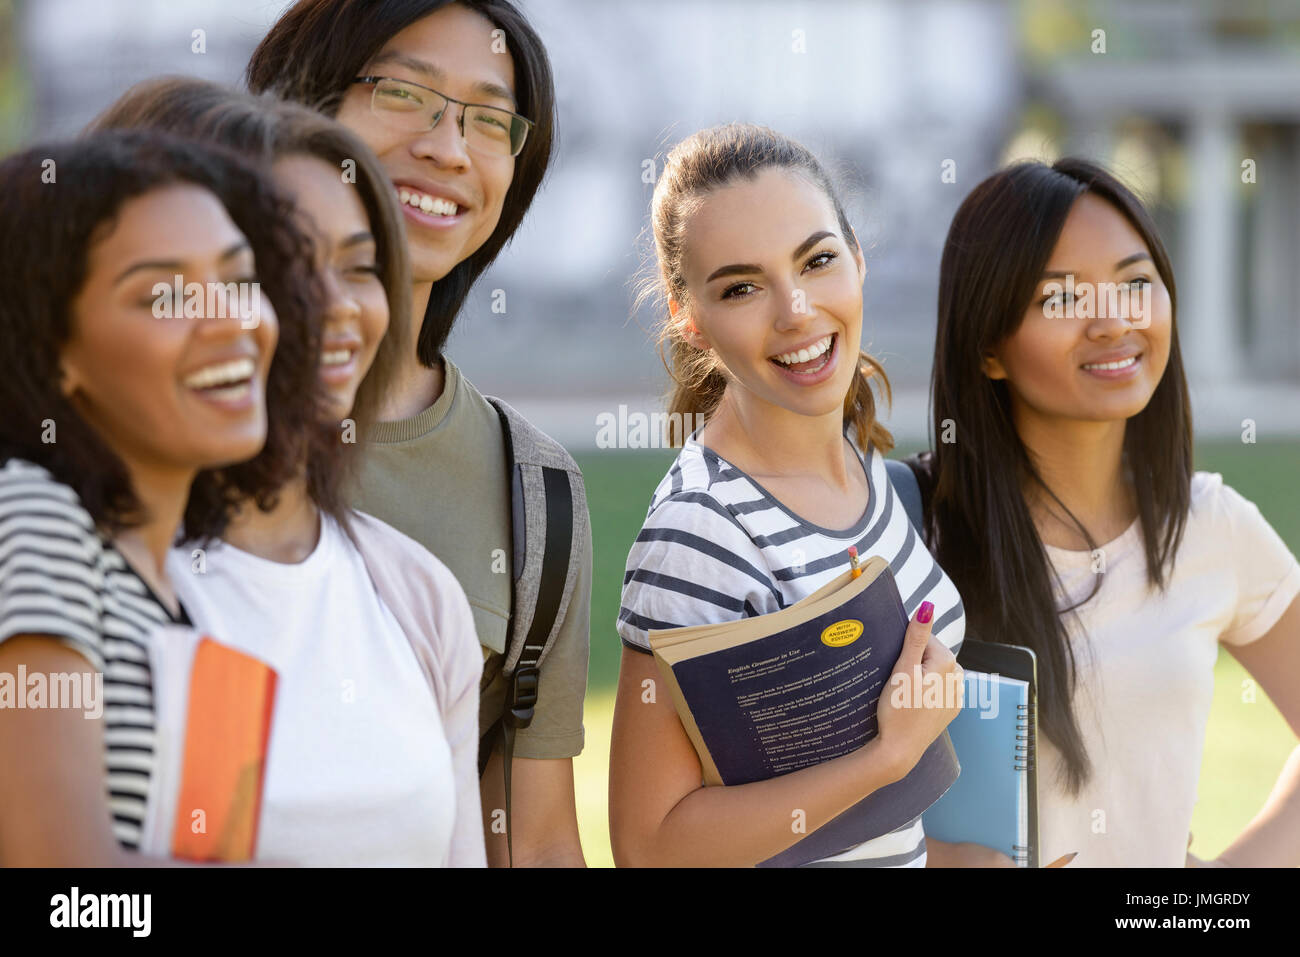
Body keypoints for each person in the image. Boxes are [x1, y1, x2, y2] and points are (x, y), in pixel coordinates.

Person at [92, 77, 488, 867]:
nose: (337, 307)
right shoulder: (71, 585)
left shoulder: (416, 597)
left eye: (361, 265)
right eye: (285, 267)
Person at [247, 0, 590, 866]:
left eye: (489, 119)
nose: (448, 147)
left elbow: (536, 841)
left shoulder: (535, 495)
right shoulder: (167, 430)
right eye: (405, 93)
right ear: (301, 109)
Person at [914, 157, 1300, 867]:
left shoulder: (1211, 526)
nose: (1112, 321)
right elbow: (812, 809)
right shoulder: (909, 533)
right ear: (987, 349)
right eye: (1060, 298)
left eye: (1134, 283)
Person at [609, 123, 973, 867]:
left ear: (858, 259)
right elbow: (649, 848)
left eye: (817, 260)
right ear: (690, 318)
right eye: (742, 287)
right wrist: (886, 757)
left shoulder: (861, 457)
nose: (796, 310)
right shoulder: (699, 532)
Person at [0, 129, 321, 864]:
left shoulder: (174, 585)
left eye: (240, 279)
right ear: (53, 354)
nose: (232, 319)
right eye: (162, 294)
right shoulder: (35, 518)